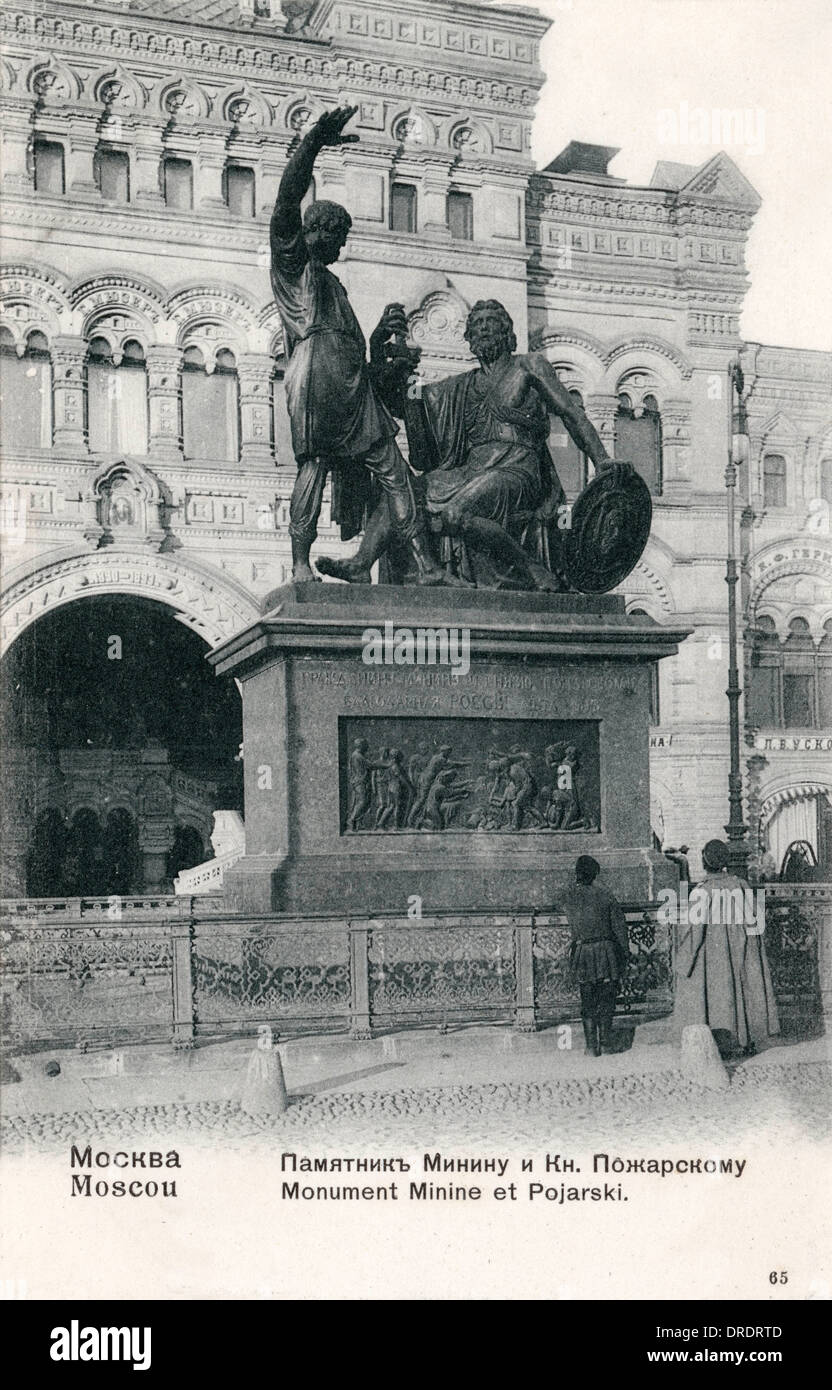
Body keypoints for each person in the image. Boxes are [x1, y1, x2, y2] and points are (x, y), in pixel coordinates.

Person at [318, 299, 634, 588]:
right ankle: (361, 563)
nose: (483, 327)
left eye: (490, 321)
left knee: (454, 514)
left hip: (517, 470)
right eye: (477, 323)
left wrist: (602, 460)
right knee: (404, 490)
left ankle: (532, 569)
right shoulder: (463, 386)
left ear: (506, 332)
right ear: (469, 338)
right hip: (471, 470)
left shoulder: (529, 366)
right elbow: (407, 405)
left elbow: (570, 413)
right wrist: (388, 360)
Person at [269, 106, 445, 585]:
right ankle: (301, 566)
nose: (343, 247)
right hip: (317, 377)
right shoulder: (293, 265)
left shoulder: (334, 285)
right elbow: (286, 201)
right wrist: (313, 145)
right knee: (316, 467)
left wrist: (378, 338)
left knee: (393, 467)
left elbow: (354, 349)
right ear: (317, 232)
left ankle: (428, 566)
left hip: (349, 380)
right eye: (339, 237)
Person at [673, 838, 780, 1056]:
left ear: (704, 861)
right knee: (741, 990)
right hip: (740, 947)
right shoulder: (740, 885)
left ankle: (719, 1043)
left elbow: (693, 931)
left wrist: (682, 960)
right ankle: (744, 1039)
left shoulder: (702, 891)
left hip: (713, 954)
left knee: (716, 997)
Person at [562, 855, 629, 1056]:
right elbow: (620, 928)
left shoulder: (568, 896)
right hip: (605, 952)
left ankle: (591, 1046)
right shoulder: (606, 895)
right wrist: (624, 955)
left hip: (583, 952)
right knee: (607, 998)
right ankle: (607, 1043)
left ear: (577, 874)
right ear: (595, 874)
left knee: (587, 999)